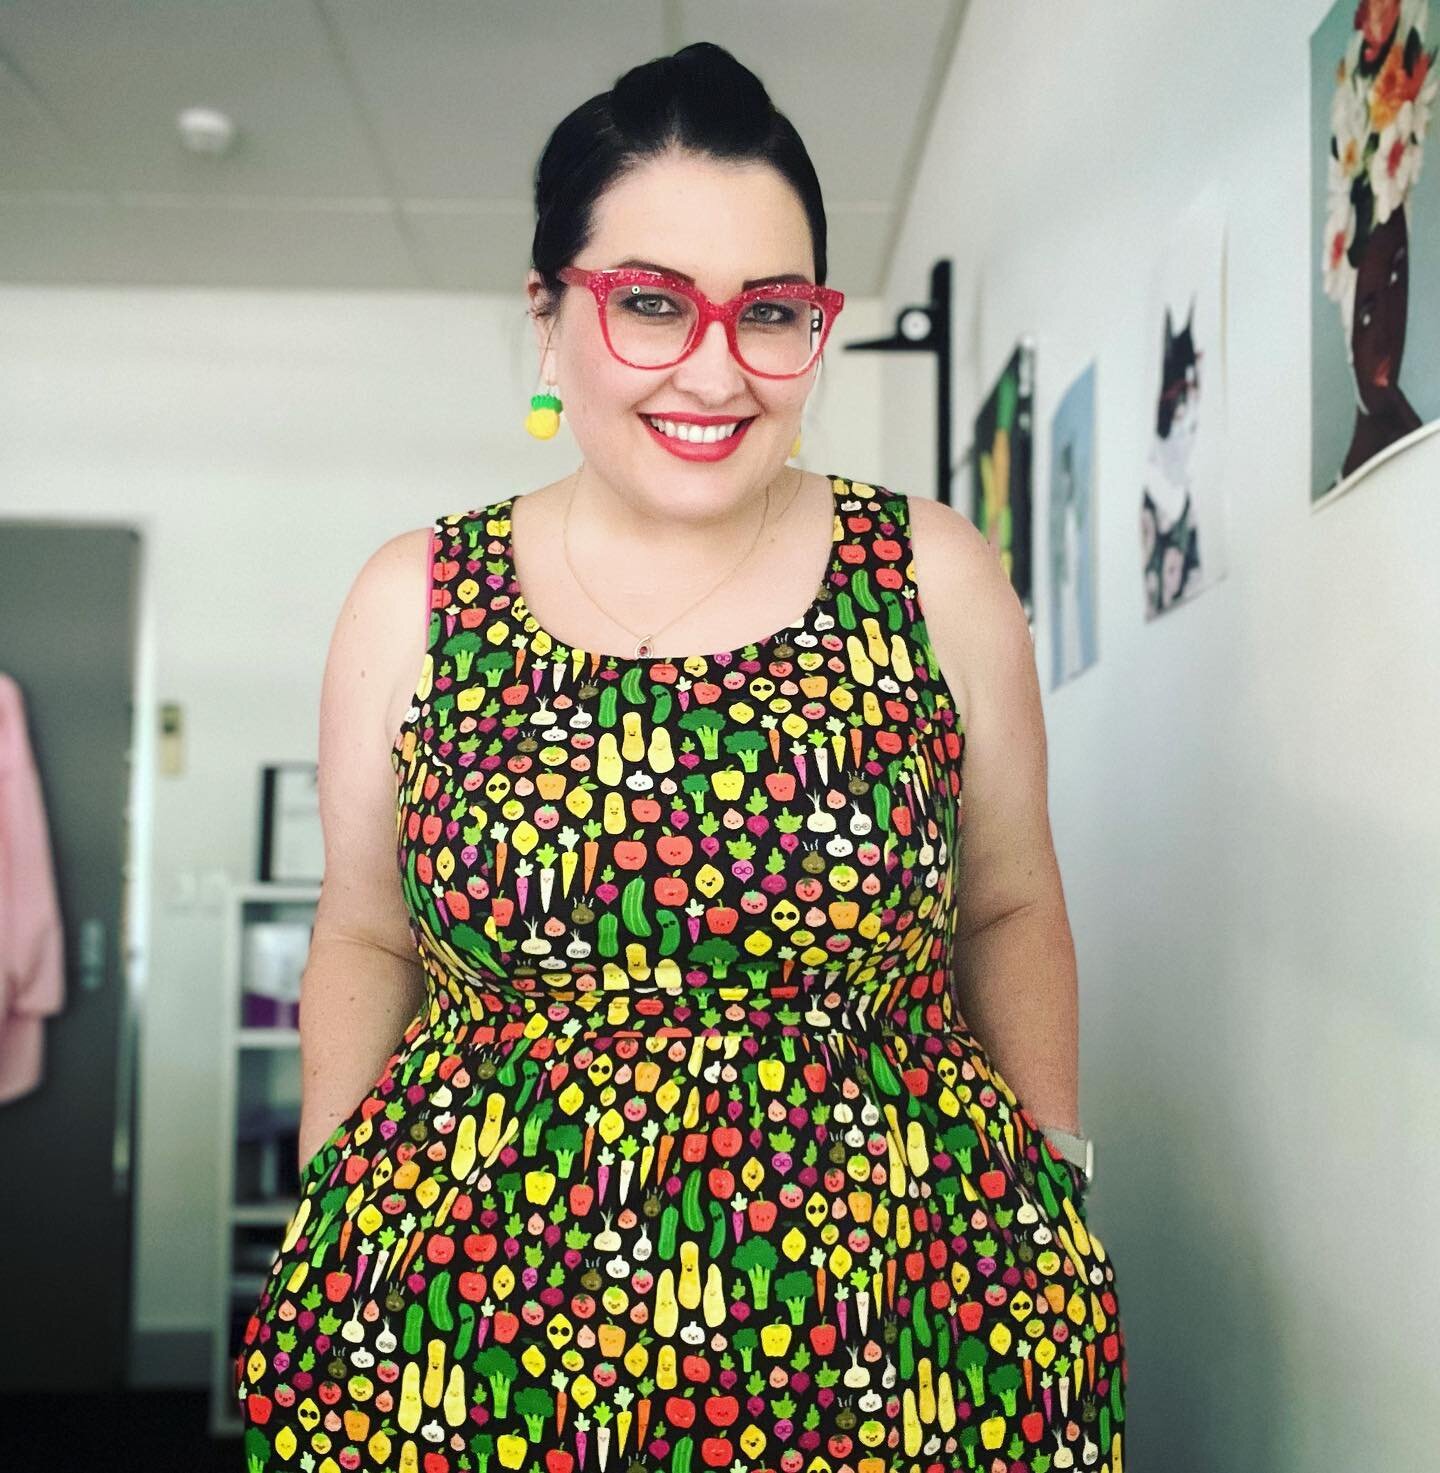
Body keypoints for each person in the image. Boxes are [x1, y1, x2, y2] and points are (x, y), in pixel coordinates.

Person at [235, 41, 1127, 1473]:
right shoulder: (414, 599)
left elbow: (1012, 903)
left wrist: (1055, 1193)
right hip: (466, 1345)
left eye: (770, 311)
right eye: (650, 302)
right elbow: (362, 931)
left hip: (910, 1336)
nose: (716, 367)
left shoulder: (935, 576)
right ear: (547, 314)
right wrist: (337, 1196)